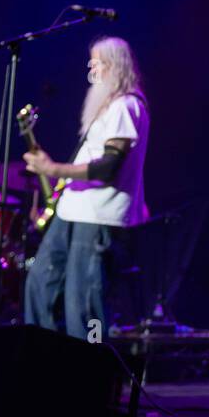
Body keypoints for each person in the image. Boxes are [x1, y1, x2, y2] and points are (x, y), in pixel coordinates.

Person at [23, 36, 149, 341]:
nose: (91, 68)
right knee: (40, 284)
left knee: (83, 304)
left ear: (115, 67)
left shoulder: (126, 106)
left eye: (98, 62)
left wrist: (54, 169)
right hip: (71, 211)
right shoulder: (105, 110)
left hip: (98, 217)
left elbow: (108, 167)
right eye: (90, 61)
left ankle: (88, 381)